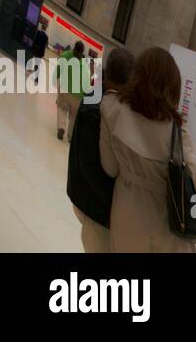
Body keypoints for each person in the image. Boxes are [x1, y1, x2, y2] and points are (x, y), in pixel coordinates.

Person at [99, 47, 196, 252]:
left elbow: (109, 168)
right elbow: (195, 191)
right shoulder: (178, 132)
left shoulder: (111, 110)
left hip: (126, 217)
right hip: (167, 228)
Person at [67, 47, 135, 252]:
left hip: (86, 198)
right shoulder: (98, 110)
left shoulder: (97, 94)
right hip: (93, 207)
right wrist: (117, 202)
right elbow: (90, 165)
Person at [55, 41, 87, 141]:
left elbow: (58, 68)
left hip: (65, 89)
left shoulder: (65, 55)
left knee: (62, 108)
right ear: (82, 52)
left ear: (74, 47)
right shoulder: (84, 64)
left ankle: (61, 127)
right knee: (73, 116)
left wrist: (57, 76)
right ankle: (71, 136)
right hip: (78, 95)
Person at [28, 20, 49, 86]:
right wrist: (43, 53)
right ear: (45, 29)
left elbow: (35, 40)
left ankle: (30, 68)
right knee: (37, 64)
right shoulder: (46, 37)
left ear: (41, 27)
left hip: (36, 49)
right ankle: (36, 77)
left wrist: (32, 47)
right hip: (40, 52)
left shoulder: (38, 33)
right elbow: (45, 46)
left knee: (32, 59)